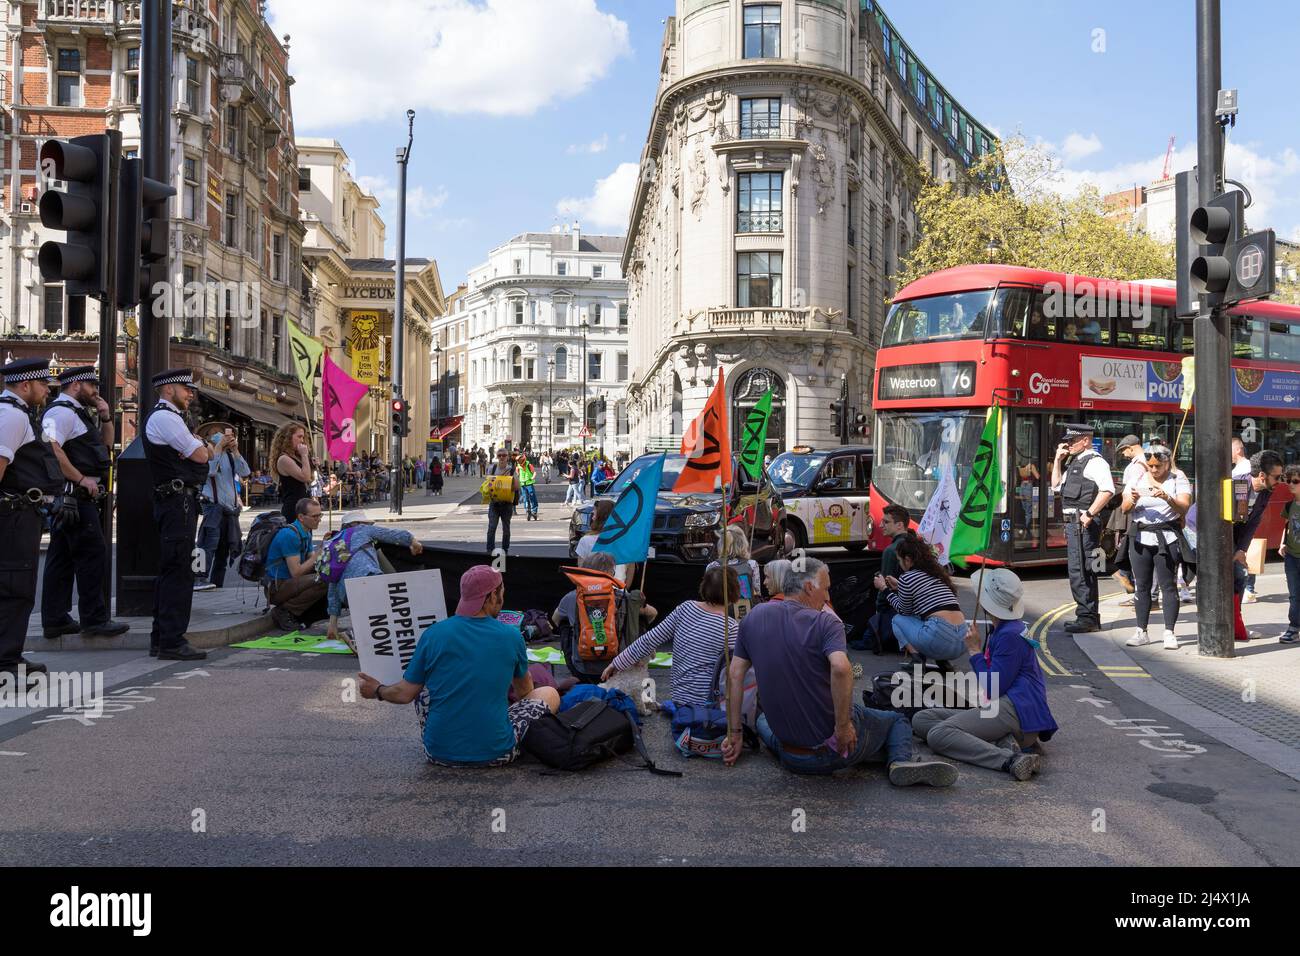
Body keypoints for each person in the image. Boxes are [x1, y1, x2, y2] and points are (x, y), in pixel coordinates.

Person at [720, 557, 956, 786]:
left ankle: (872, 747)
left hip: (789, 753)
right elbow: (842, 669)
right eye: (826, 589)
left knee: (763, 719)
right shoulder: (826, 622)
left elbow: (735, 675)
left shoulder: (754, 617)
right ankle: (898, 762)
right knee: (896, 721)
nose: (828, 596)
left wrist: (735, 733)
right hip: (830, 751)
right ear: (810, 587)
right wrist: (843, 727)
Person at [357, 565, 561, 767]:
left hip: (438, 753)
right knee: (549, 693)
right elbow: (525, 692)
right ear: (492, 596)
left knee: (422, 686)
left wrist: (377, 690)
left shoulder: (433, 634)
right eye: (502, 593)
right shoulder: (511, 636)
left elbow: (404, 693)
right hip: (497, 752)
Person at [912, 569, 1057, 781]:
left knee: (938, 735)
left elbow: (994, 687)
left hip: (1016, 707)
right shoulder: (1003, 628)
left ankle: (1009, 759)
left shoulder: (1010, 635)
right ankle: (1003, 740)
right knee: (922, 719)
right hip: (1010, 705)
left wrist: (974, 652)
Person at [39, 365, 128, 639]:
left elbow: (103, 449)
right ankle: (93, 620)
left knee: (62, 558)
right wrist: (80, 479)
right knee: (92, 555)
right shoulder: (59, 412)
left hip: (76, 496)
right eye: (92, 386)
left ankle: (56, 620)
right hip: (74, 497)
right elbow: (50, 447)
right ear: (76, 385)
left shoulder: (78, 413)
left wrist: (107, 419)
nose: (96, 392)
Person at [0, 358, 67, 680]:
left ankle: (9, 657)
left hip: (17, 514)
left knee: (15, 586)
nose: (46, 391)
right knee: (15, 588)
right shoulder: (12, 416)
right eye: (43, 385)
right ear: (25, 385)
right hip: (12, 516)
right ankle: (6, 663)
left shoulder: (15, 413)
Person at [143, 369, 215, 661]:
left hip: (177, 501)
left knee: (172, 570)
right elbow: (202, 456)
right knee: (178, 572)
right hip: (176, 502)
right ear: (169, 388)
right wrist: (199, 448)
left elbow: (200, 452)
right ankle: (172, 641)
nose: (191, 394)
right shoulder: (166, 418)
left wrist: (198, 448)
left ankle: (162, 638)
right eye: (186, 389)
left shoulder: (171, 419)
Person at [599, 565, 736, 708]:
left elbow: (649, 639)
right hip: (708, 704)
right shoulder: (731, 627)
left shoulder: (685, 609)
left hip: (679, 699)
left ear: (704, 586)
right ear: (734, 594)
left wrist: (616, 663)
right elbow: (736, 673)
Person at [1120, 444, 1192, 650]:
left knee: (1168, 585)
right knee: (1141, 585)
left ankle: (1169, 632)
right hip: (1140, 537)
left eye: (1158, 466)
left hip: (1167, 537)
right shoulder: (1137, 478)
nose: (1153, 470)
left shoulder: (1178, 478)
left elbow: (1184, 507)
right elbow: (1124, 509)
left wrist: (1167, 497)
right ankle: (1141, 631)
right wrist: (1132, 500)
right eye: (1150, 465)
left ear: (1167, 462)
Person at [1051, 423, 1115, 633]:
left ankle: (1088, 618)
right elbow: (1056, 486)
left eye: (1072, 441)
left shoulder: (1096, 463)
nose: (1068, 445)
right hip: (1073, 522)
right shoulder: (1075, 462)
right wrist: (1058, 462)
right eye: (1068, 441)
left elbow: (1108, 490)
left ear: (1085, 440)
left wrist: (1089, 514)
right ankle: (1086, 615)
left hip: (1083, 523)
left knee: (1082, 570)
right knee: (1078, 570)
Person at [324, 511, 424, 641]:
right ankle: (354, 635)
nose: (367, 525)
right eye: (366, 523)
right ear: (356, 523)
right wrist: (414, 542)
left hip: (346, 593)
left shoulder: (333, 543)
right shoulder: (361, 529)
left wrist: (333, 624)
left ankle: (360, 635)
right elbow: (393, 534)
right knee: (396, 605)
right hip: (368, 578)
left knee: (371, 617)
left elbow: (332, 584)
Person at [876, 534, 965, 663]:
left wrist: (884, 589)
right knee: (924, 616)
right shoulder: (937, 574)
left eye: (899, 561)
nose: (900, 565)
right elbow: (927, 598)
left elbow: (903, 610)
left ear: (907, 559)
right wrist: (899, 586)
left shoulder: (908, 577)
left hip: (939, 639)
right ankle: (942, 661)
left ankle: (917, 660)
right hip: (962, 641)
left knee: (897, 620)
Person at [194, 421, 250, 593]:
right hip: (213, 507)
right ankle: (197, 579)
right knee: (206, 544)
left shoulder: (230, 455)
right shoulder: (205, 453)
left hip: (229, 511)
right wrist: (218, 448)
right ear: (208, 436)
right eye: (216, 432)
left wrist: (235, 450)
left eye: (224, 432)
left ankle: (216, 584)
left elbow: (245, 472)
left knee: (224, 549)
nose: (221, 435)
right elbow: (210, 471)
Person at [1233, 450, 1283, 642]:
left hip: (1232, 536)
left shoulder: (1264, 492)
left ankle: (1236, 627)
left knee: (1238, 577)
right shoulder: (1240, 485)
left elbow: (1251, 522)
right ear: (1262, 476)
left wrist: (1241, 550)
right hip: (1201, 533)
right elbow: (1230, 521)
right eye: (1277, 477)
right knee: (1233, 577)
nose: (1279, 482)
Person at [264, 497, 329, 631]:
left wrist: (326, 548)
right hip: (277, 587)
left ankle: (307, 614)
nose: (319, 519)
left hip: (289, 583)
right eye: (315, 516)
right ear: (301, 517)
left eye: (320, 515)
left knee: (328, 574)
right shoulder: (290, 535)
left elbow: (313, 564)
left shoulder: (305, 532)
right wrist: (318, 553)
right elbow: (296, 572)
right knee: (323, 580)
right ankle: (284, 611)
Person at [551, 551, 658, 632]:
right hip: (619, 659)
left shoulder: (571, 597)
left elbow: (555, 619)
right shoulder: (624, 597)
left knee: (565, 623)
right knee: (638, 619)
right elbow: (653, 613)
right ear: (611, 573)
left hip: (580, 659)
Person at [859, 504, 909, 650]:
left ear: (899, 525)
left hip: (894, 613)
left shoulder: (891, 550)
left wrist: (879, 613)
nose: (881, 525)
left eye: (886, 522)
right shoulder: (916, 545)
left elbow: (884, 589)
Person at [1110, 434, 1145, 599]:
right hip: (1134, 510)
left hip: (1133, 511)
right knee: (1129, 546)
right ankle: (1126, 578)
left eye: (1124, 450)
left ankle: (1126, 577)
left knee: (1132, 547)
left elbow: (1131, 492)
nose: (1123, 454)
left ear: (1131, 447)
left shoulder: (1137, 465)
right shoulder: (1142, 462)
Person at [705, 524, 761, 606]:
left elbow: (708, 597)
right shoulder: (752, 564)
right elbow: (757, 593)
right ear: (743, 543)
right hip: (745, 612)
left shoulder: (712, 566)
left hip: (720, 614)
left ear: (721, 544)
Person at [574, 498, 629, 581]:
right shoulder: (624, 541)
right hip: (617, 590)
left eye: (594, 514)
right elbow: (628, 575)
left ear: (599, 518)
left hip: (592, 590)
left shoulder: (586, 540)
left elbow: (581, 571)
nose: (592, 518)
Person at [270, 422, 312, 522]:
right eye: (299, 437)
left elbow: (309, 479)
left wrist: (311, 464)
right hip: (293, 508)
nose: (302, 441)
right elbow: (305, 477)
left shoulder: (294, 457)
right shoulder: (284, 459)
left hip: (302, 506)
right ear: (288, 438)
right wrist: (304, 455)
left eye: (303, 437)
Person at [1278, 465, 1300, 644]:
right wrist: (1282, 543)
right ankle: (1293, 628)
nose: (1290, 484)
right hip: (1292, 557)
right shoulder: (1289, 504)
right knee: (1294, 595)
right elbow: (1286, 525)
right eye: (1288, 481)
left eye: (1295, 481)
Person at [486, 448, 519, 555]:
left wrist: (509, 482)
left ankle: (505, 549)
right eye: (499, 455)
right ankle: (490, 550)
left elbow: (517, 487)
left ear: (507, 457)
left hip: (507, 504)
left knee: (506, 529)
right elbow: (487, 484)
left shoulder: (512, 470)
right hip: (494, 503)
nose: (501, 457)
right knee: (492, 527)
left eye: (504, 455)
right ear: (496, 456)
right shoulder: (492, 468)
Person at [518, 454, 539, 520]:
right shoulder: (518, 467)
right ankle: (527, 510)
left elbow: (534, 472)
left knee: (532, 497)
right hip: (522, 485)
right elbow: (518, 474)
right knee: (525, 498)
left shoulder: (529, 465)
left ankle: (534, 511)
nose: (520, 463)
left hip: (529, 484)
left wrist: (532, 477)